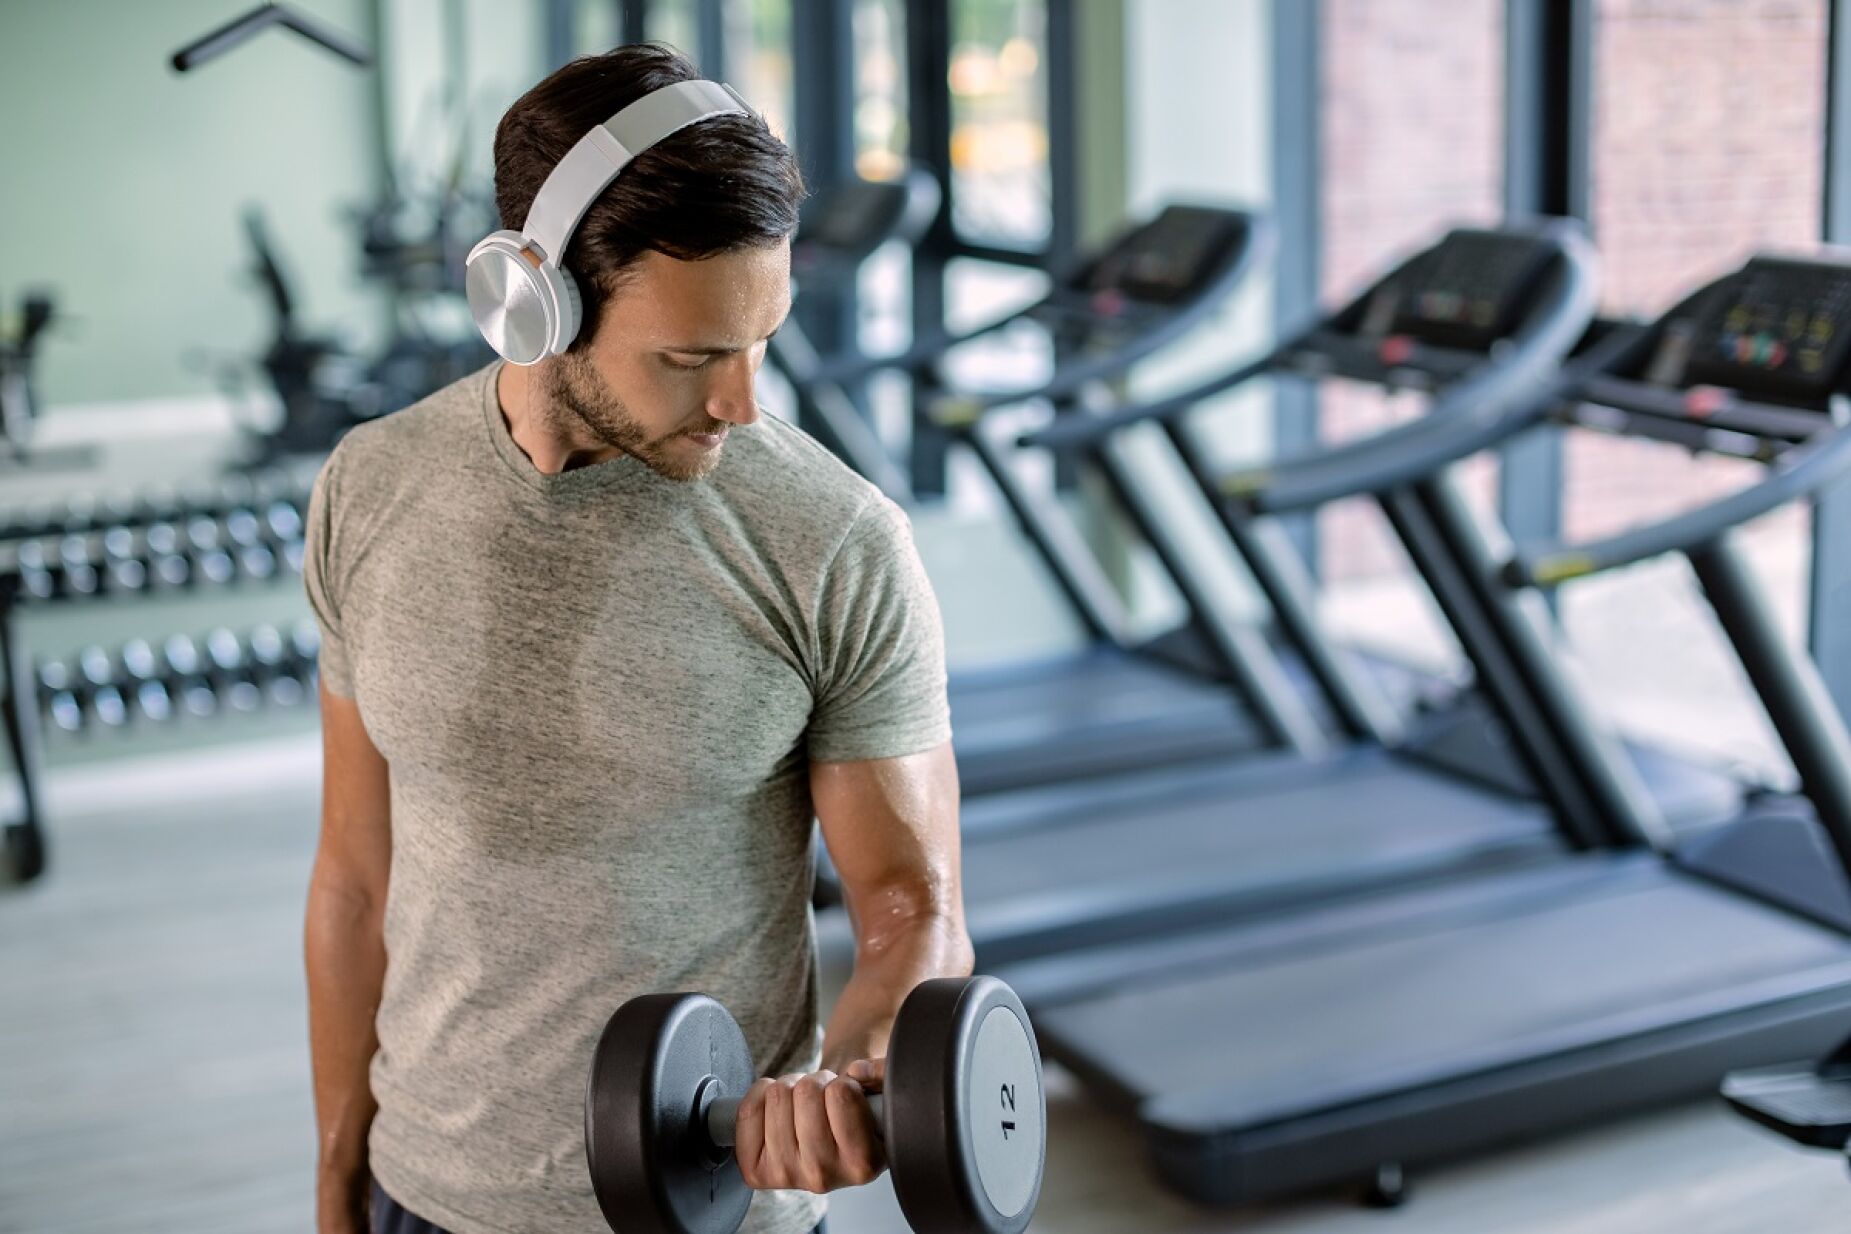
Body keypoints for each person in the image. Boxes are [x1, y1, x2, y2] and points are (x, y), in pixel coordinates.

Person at [303, 43, 969, 1234]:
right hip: (428, 1189)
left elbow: (911, 907)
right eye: (692, 356)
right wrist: (339, 1161)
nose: (742, 403)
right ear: (533, 302)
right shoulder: (371, 485)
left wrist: (854, 1074)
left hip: (704, 1207)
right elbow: (355, 877)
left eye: (761, 339)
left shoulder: (833, 540)